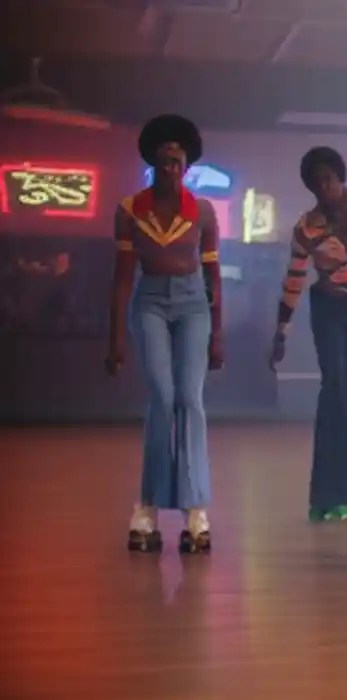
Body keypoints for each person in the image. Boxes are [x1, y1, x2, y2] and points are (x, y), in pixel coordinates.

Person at [107, 114, 222, 554]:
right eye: (164, 160)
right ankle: (147, 507)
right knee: (161, 395)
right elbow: (121, 279)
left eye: (178, 160)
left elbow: (213, 277)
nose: (171, 166)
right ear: (153, 162)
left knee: (190, 400)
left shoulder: (203, 210)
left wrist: (218, 334)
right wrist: (115, 337)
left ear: (187, 165)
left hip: (194, 304)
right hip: (150, 300)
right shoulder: (129, 211)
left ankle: (195, 512)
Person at [269, 146, 347, 522]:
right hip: (330, 311)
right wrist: (281, 330)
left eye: (329, 178)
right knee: (335, 389)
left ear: (341, 177)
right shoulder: (307, 228)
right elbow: (294, 278)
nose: (325, 187)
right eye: (316, 182)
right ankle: (325, 494)